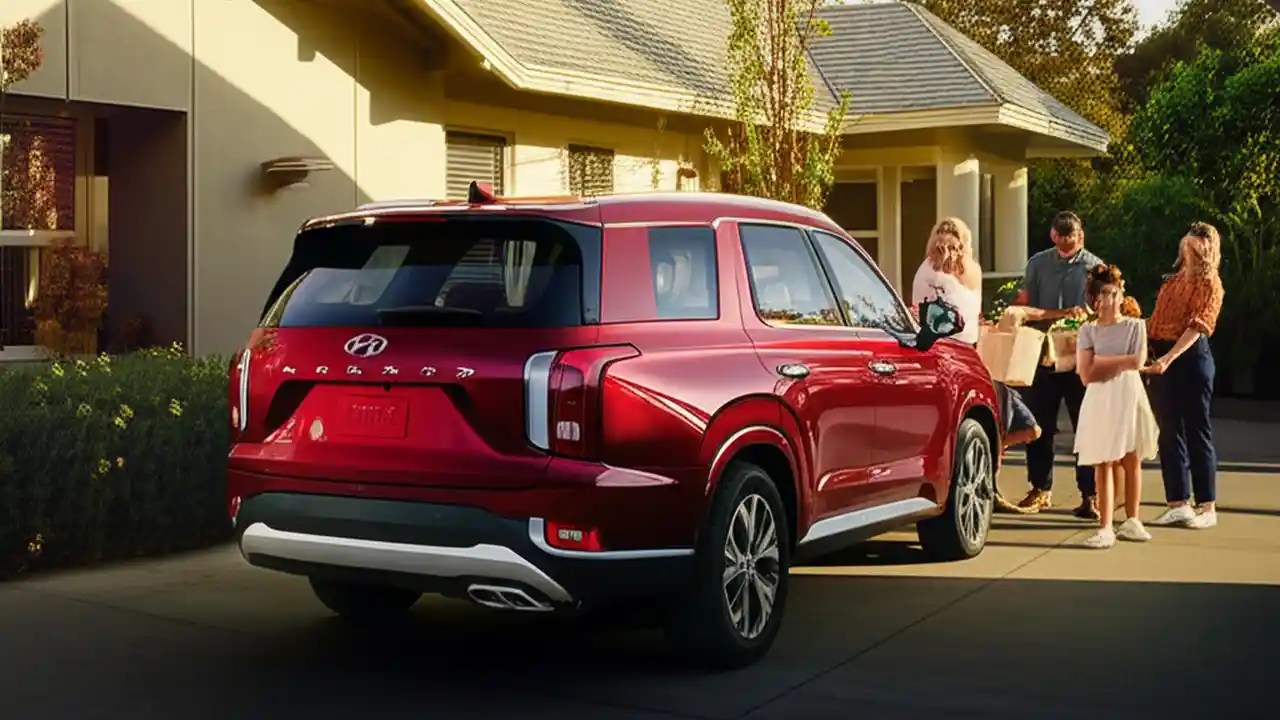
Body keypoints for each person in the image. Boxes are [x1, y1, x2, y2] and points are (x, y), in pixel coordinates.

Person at [910, 218, 1041, 514]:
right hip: (964, 353)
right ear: (965, 242)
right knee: (999, 419)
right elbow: (970, 312)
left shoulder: (923, 269)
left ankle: (977, 482)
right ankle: (988, 480)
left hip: (930, 351)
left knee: (951, 426)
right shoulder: (971, 269)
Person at [1010, 211, 1102, 519]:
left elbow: (1105, 308)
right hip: (1043, 353)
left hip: (1080, 355)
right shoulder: (1038, 263)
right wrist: (1058, 313)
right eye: (1060, 238)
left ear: (1080, 235)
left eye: (1071, 237)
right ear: (1052, 235)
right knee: (1039, 424)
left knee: (1086, 425)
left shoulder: (1094, 266)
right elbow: (1028, 306)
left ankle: (1090, 493)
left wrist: (1085, 313)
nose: (1066, 243)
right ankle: (1040, 488)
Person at [1141, 222, 1225, 529]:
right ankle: (1178, 502)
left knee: (1197, 431)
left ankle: (1207, 506)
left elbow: (1198, 326)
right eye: (1187, 246)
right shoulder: (1172, 281)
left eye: (1196, 247)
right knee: (1169, 431)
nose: (1189, 252)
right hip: (1162, 354)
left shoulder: (1211, 284)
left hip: (1191, 358)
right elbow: (1156, 320)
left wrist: (1169, 358)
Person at [1073, 264, 1159, 548]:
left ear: (1121, 296)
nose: (1109, 299)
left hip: (1128, 393)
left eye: (1113, 293)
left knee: (1131, 456)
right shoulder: (1088, 330)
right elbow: (1086, 373)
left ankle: (1133, 519)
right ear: (1095, 300)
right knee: (1103, 459)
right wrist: (1118, 363)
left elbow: (1138, 361)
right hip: (1100, 397)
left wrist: (1104, 363)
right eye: (1103, 294)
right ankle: (1106, 525)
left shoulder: (1135, 326)